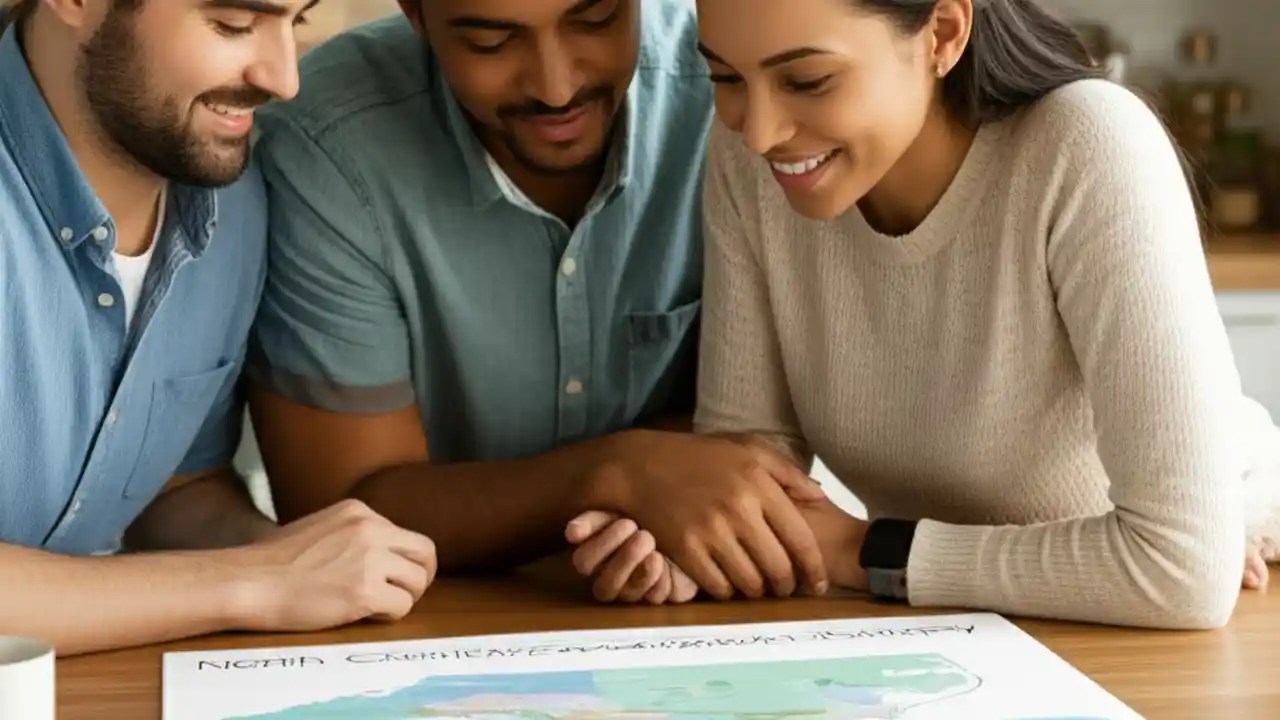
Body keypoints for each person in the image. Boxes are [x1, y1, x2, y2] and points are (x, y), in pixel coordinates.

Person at [567, 0, 1280, 628]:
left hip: (1213, 587)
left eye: (807, 80)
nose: (756, 130)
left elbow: (1179, 571)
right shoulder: (751, 158)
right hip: (992, 619)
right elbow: (754, 456)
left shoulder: (1085, 144)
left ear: (942, 31)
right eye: (725, 77)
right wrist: (706, 547)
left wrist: (862, 550)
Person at [246, 0, 835, 605]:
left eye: (596, 19)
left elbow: (761, 436)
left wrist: (658, 490)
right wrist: (613, 473)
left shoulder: (738, 97)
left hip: (684, 606)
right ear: (416, 14)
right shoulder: (326, 141)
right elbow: (338, 517)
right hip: (429, 620)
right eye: (491, 42)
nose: (556, 88)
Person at [0, 0, 436, 656]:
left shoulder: (233, 203)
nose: (284, 79)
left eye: (295, 21)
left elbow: (173, 490)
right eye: (233, 23)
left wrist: (301, 559)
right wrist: (249, 582)